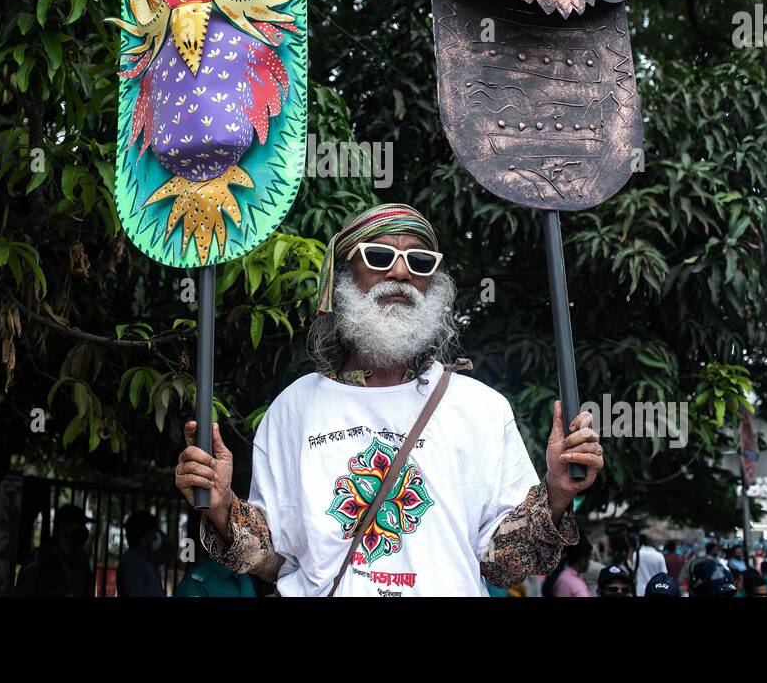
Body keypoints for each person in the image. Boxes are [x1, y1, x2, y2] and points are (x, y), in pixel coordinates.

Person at [174, 203, 605, 597]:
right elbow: (269, 559)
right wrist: (223, 503)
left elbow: (504, 564)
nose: (400, 274)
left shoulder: (483, 409)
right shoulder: (293, 409)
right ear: (344, 277)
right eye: (378, 257)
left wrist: (555, 492)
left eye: (419, 262)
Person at [13, 504, 93, 597]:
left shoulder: (82, 561)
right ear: (62, 527)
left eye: (83, 525)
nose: (83, 529)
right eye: (78, 525)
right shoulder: (37, 560)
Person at [117, 511, 166, 597]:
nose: (155, 538)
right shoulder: (132, 563)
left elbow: (171, 551)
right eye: (153, 532)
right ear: (146, 534)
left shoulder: (143, 560)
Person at [626, 531, 668, 596]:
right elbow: (664, 574)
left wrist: (631, 549)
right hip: (655, 591)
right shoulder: (659, 556)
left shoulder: (637, 554)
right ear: (650, 542)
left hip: (639, 591)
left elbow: (630, 567)